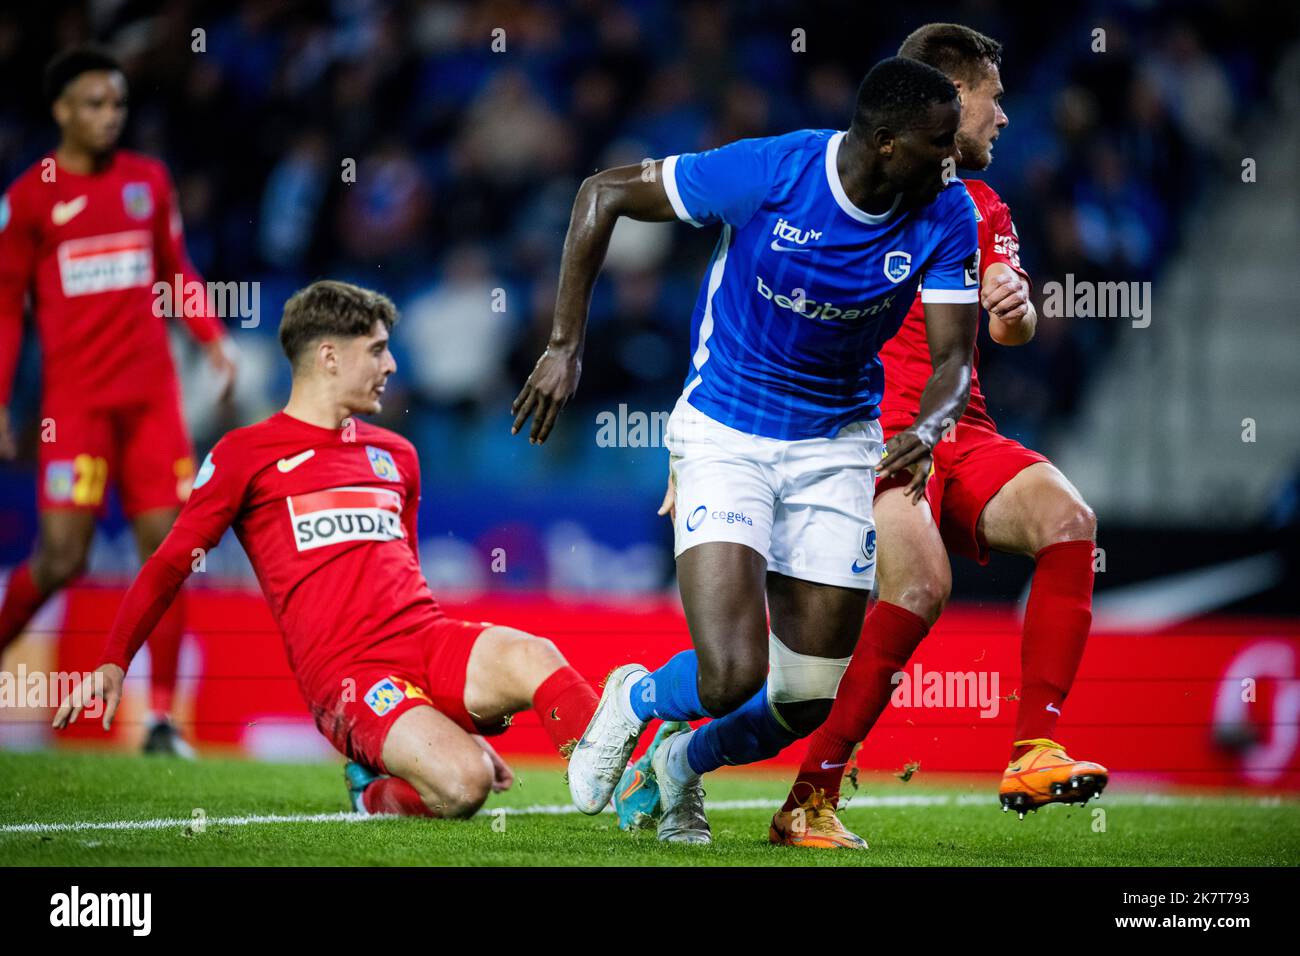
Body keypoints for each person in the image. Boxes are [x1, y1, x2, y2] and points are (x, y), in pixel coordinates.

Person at [512, 57, 981, 843]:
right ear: (888, 144)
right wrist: (564, 345)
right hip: (728, 430)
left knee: (808, 697)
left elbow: (954, 362)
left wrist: (930, 427)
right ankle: (633, 699)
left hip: (838, 443)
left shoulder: (947, 213)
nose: (955, 157)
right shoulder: (769, 171)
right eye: (941, 144)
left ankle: (680, 765)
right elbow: (602, 192)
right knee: (732, 674)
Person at [54, 280, 600, 819]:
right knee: (464, 785)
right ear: (330, 356)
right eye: (378, 350)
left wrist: (448, 715)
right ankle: (370, 792)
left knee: (537, 654)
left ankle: (630, 789)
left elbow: (407, 572)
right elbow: (170, 563)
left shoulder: (397, 455)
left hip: (426, 639)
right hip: (349, 673)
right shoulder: (245, 455)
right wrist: (113, 661)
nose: (390, 366)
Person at [768, 23, 1106, 849]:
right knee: (919, 588)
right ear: (951, 102)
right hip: (875, 434)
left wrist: (1016, 311)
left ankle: (1034, 748)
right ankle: (808, 795)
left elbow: (1010, 324)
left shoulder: (986, 205)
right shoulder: (857, 189)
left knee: (1070, 522)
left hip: (963, 428)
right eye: (994, 100)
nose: (1004, 119)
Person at [0, 48, 236, 755]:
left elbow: (176, 270)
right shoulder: (29, 198)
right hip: (74, 408)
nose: (109, 117)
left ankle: (161, 719)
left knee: (168, 553)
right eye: (94, 104)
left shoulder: (147, 182)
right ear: (61, 111)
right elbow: (8, 307)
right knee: (62, 559)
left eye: (118, 105)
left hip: (150, 404)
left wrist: (210, 336)